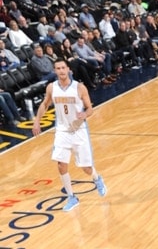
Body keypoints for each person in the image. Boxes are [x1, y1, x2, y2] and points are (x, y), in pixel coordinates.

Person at [31, 59, 107, 211]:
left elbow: (90, 109)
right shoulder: (51, 88)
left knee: (86, 168)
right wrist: (36, 121)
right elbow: (45, 104)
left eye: (63, 68)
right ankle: (72, 197)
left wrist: (84, 114)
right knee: (61, 164)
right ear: (55, 71)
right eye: (58, 68)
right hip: (62, 130)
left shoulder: (79, 88)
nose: (61, 71)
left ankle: (97, 179)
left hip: (78, 130)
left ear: (68, 69)